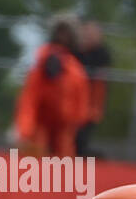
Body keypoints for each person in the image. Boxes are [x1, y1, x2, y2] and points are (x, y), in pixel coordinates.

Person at [13, 16, 89, 157]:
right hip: (41, 124)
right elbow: (29, 101)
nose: (63, 37)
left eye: (66, 33)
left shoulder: (75, 70)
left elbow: (80, 102)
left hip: (64, 125)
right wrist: (24, 130)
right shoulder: (41, 64)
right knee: (34, 155)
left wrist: (77, 121)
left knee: (63, 159)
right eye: (60, 32)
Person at [75, 20, 112, 158]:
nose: (88, 36)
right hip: (74, 100)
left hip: (91, 101)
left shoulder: (102, 54)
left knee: (83, 134)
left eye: (92, 33)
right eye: (85, 32)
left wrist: (96, 108)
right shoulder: (75, 51)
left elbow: (101, 83)